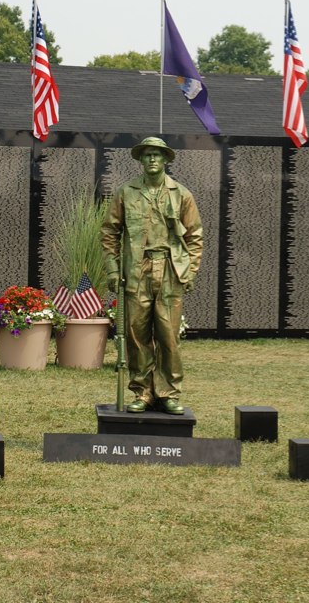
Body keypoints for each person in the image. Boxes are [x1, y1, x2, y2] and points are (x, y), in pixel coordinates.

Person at [101, 137, 203, 414]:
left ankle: (168, 392)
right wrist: (113, 268)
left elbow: (195, 236)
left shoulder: (181, 194)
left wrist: (190, 270)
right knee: (137, 335)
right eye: (147, 155)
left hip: (170, 269)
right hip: (137, 271)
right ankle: (142, 391)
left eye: (158, 155)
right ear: (140, 160)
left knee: (168, 336)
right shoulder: (126, 193)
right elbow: (110, 232)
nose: (152, 160)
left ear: (167, 159)